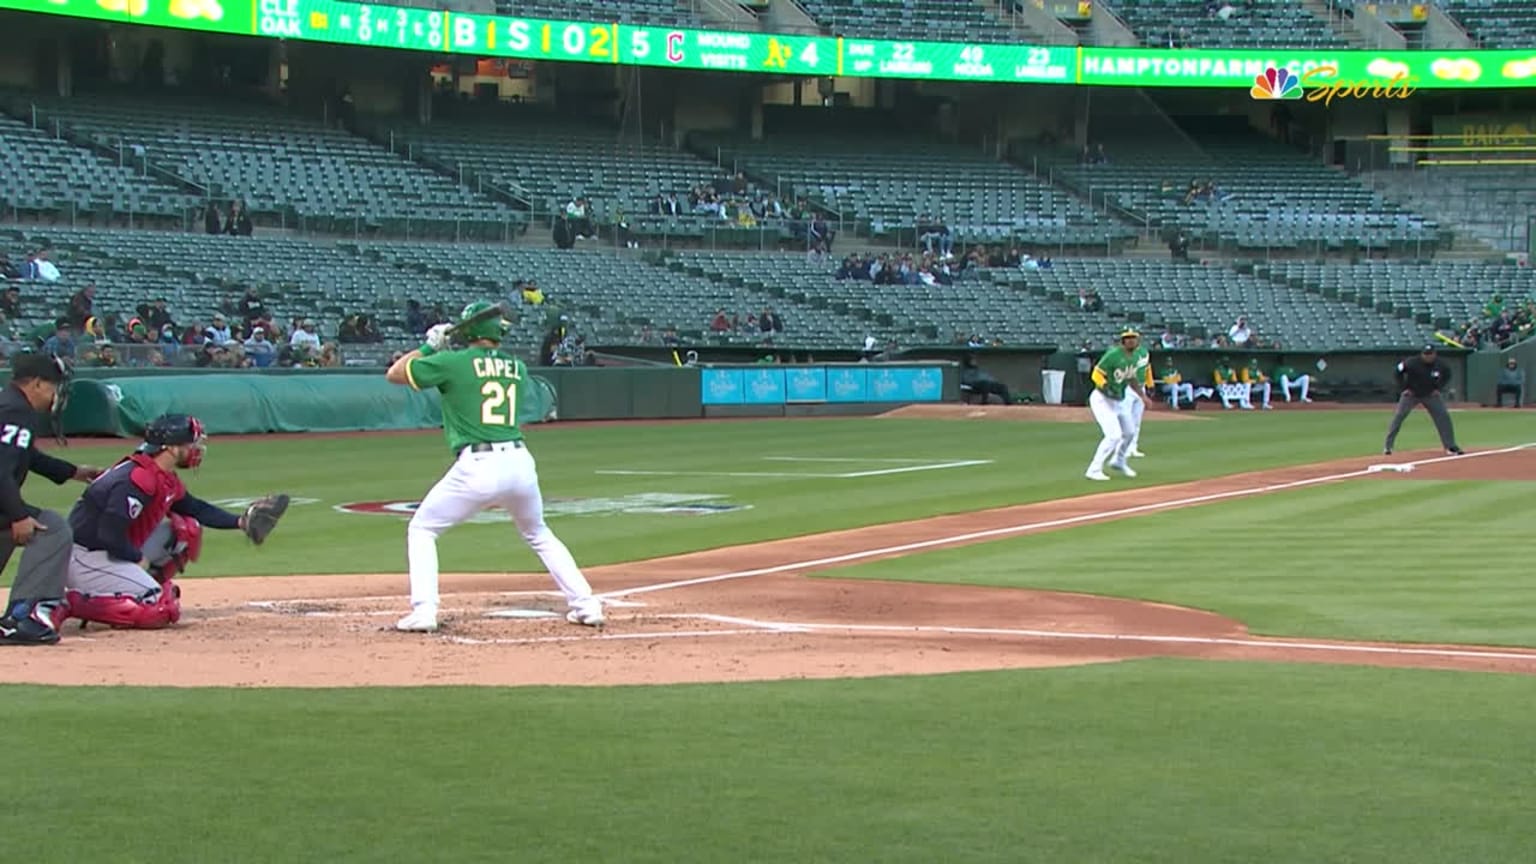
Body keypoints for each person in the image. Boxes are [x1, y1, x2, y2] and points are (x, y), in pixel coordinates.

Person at [385, 302, 604, 632]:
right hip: (519, 462)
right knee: (538, 532)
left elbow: (396, 373)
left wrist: (431, 345)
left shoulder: (452, 362)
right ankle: (587, 604)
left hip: (478, 464)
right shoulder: (517, 366)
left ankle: (424, 611)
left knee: (423, 529)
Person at [62, 414, 288, 629]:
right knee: (159, 608)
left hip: (107, 550)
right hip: (83, 555)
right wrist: (137, 558)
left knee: (186, 530)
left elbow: (194, 508)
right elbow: (109, 533)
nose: (195, 450)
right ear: (170, 447)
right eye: (190, 444)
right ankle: (69, 601)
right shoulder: (137, 478)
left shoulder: (161, 476)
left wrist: (241, 522)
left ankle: (126, 586)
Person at [0, 354, 101, 645]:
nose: (55, 394)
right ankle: (23, 617)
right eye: (53, 387)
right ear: (37, 384)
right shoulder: (16, 411)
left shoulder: (8, 404)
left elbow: (25, 456)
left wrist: (73, 472)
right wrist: (18, 515)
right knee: (51, 528)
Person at [1084, 329, 1147, 481]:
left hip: (1118, 400)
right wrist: (1105, 386)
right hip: (1102, 399)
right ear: (1122, 341)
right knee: (1113, 436)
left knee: (1130, 432)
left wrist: (1143, 396)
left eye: (1133, 338)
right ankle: (1093, 470)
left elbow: (1131, 379)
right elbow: (1096, 373)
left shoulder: (1135, 357)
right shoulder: (1113, 354)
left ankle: (1119, 460)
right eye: (1128, 338)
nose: (1131, 341)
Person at [1383, 345, 1463, 456]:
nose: (1428, 357)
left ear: (1434, 354)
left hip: (1430, 394)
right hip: (1411, 394)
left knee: (1443, 417)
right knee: (1399, 417)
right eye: (1425, 354)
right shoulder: (1411, 362)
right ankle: (1388, 446)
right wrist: (1404, 388)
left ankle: (1450, 446)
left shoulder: (1441, 364)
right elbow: (1397, 372)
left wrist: (1438, 388)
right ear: (1422, 354)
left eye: (1430, 354)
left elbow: (1447, 375)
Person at [1123, 338, 1155, 458]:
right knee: (1126, 419)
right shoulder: (1125, 353)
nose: (1133, 341)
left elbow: (1147, 369)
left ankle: (1133, 447)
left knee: (1136, 421)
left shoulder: (1144, 352)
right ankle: (1123, 448)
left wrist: (1150, 384)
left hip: (1141, 388)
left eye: (1135, 338)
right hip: (1127, 388)